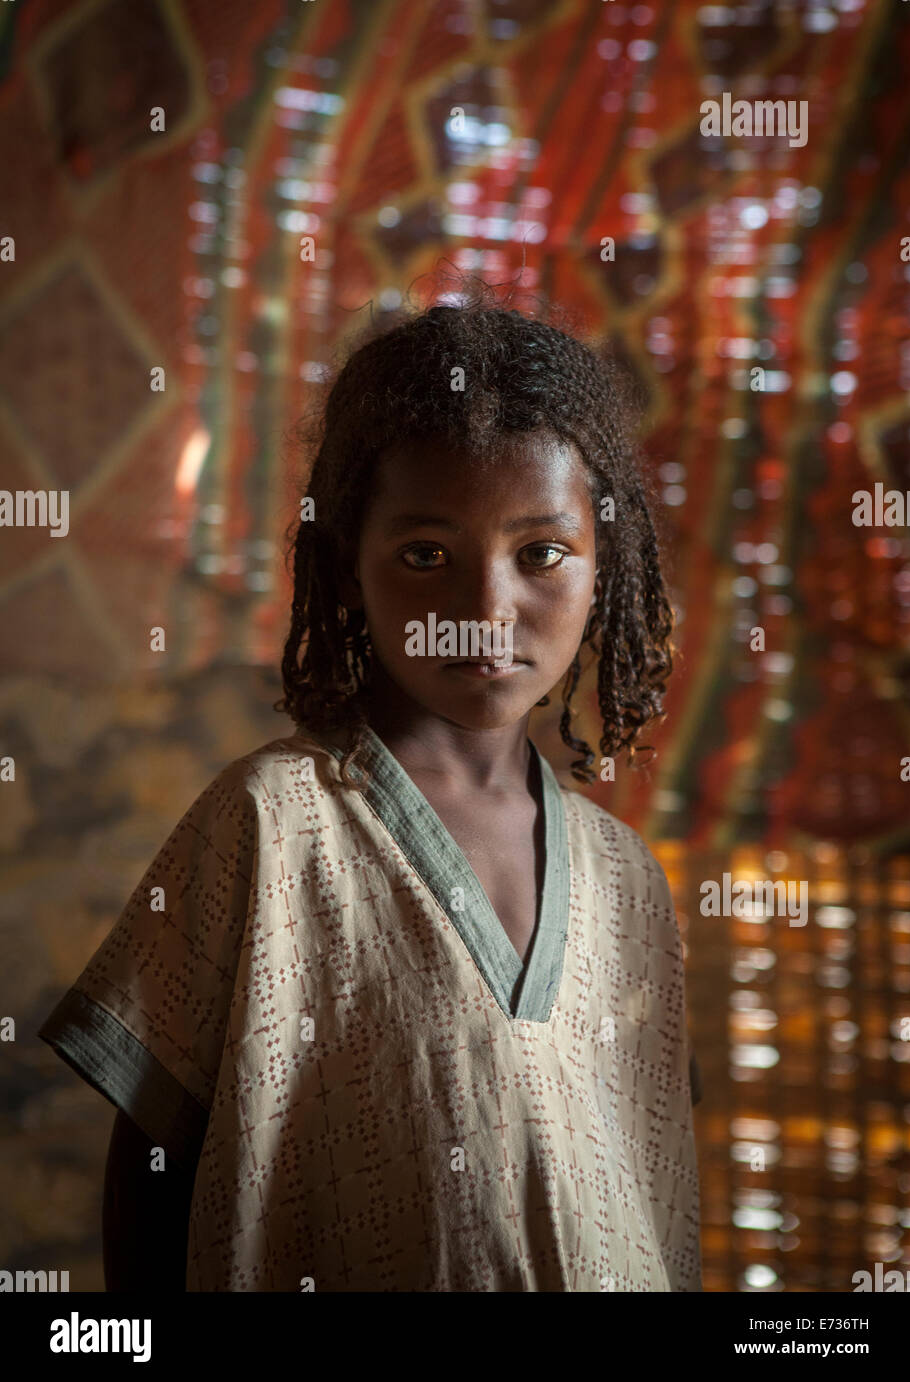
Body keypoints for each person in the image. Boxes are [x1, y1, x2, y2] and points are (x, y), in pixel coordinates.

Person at [39, 280, 703, 1292]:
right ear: (347, 564)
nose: (485, 605)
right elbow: (152, 1177)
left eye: (541, 553)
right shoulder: (268, 826)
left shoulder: (628, 886)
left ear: (604, 566)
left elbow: (655, 1207)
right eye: (426, 553)